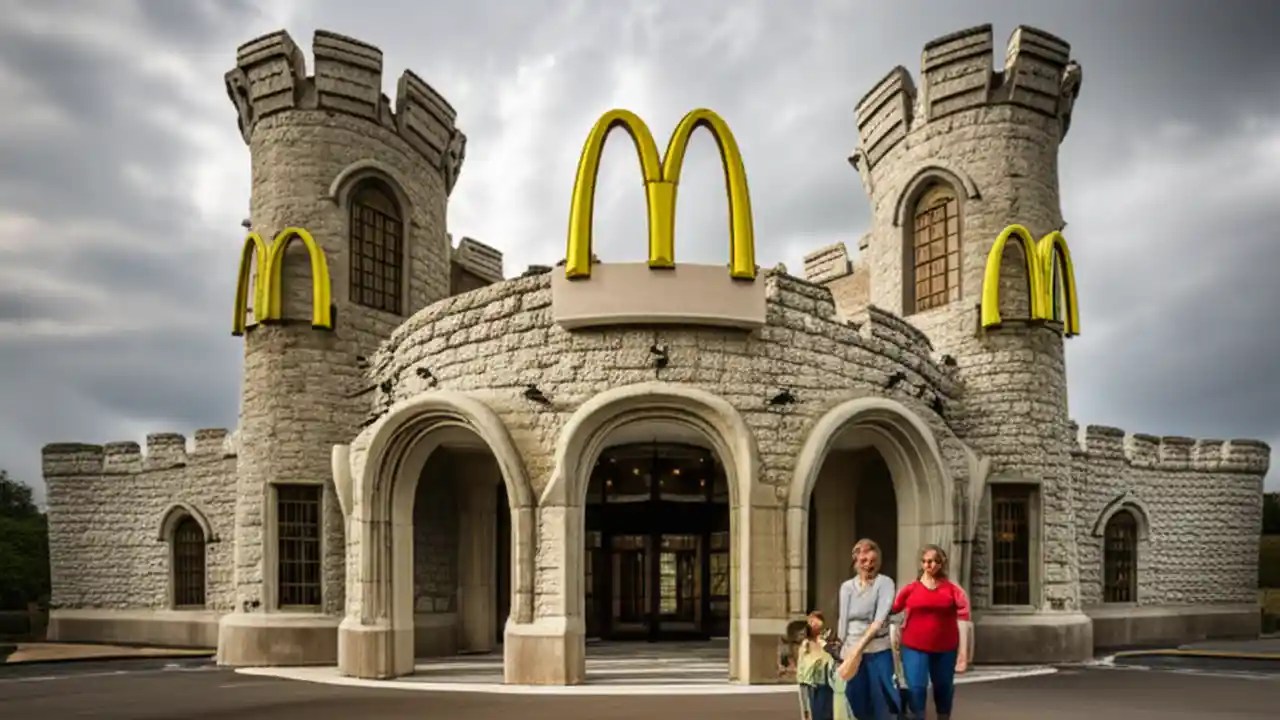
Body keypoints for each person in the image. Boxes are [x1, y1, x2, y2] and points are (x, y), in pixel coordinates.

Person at [890, 544, 972, 720]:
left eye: (935, 561)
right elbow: (892, 610)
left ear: (942, 564)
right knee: (916, 688)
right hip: (914, 647)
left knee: (943, 687)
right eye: (927, 561)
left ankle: (943, 716)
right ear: (921, 564)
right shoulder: (910, 589)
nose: (931, 565)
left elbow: (963, 619)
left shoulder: (952, 590)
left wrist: (963, 653)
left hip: (945, 648)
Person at [835, 539, 900, 720]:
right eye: (863, 561)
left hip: (877, 649)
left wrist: (857, 649)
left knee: (883, 701)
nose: (868, 566)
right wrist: (842, 652)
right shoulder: (847, 587)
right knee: (856, 699)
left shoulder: (885, 583)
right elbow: (843, 620)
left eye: (872, 562)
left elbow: (878, 621)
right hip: (852, 652)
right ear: (855, 561)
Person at [794, 614, 839, 720]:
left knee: (826, 714)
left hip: (825, 683)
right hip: (809, 684)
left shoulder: (826, 643)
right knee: (810, 714)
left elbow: (835, 656)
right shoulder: (805, 644)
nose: (813, 626)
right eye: (811, 623)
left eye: (816, 623)